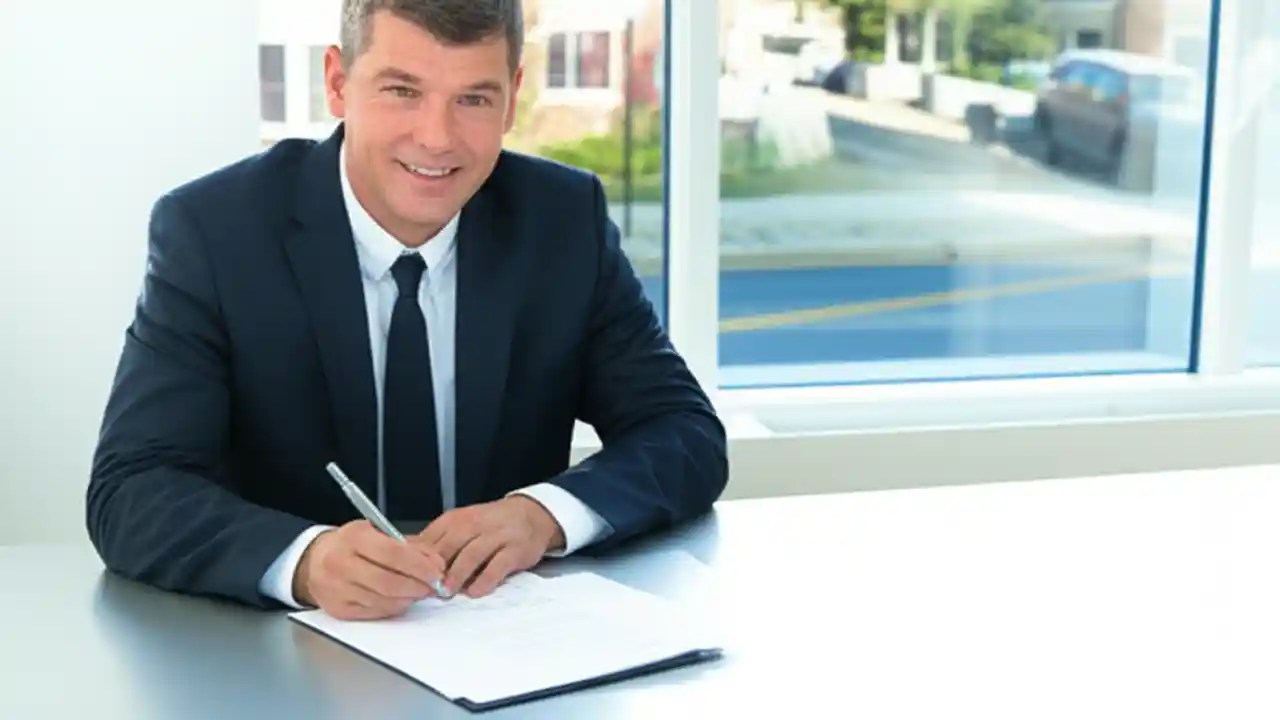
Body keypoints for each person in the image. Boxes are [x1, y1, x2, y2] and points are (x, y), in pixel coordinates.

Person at [86, 0, 727, 621]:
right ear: (337, 83)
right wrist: (305, 560)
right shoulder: (214, 231)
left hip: (505, 642)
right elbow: (133, 488)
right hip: (284, 658)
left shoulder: (561, 221)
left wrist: (544, 515)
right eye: (402, 91)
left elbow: (683, 431)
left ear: (513, 94)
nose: (437, 137)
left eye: (474, 99)